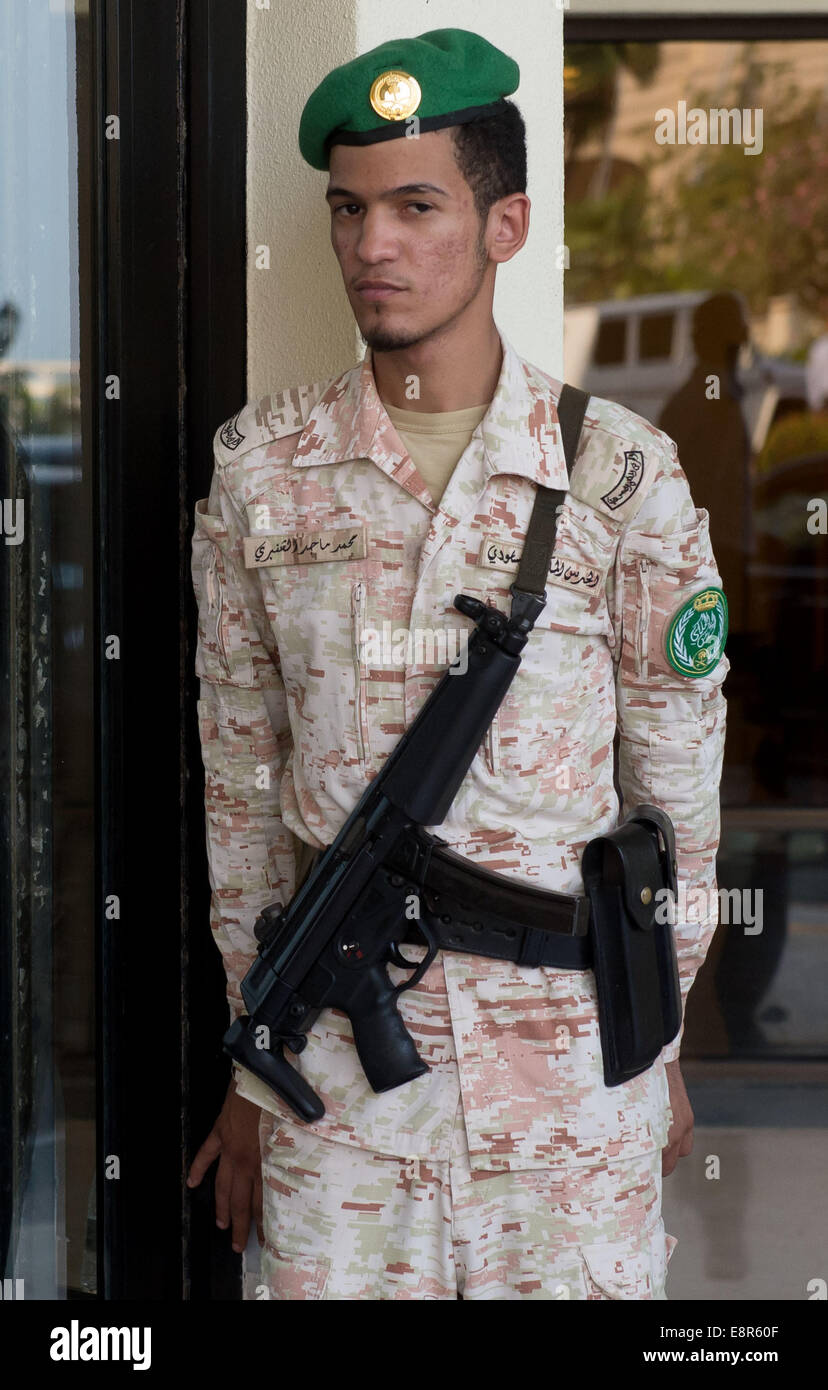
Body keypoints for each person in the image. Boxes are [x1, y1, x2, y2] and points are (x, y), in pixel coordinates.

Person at [187, 28, 728, 1300]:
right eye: (350, 211)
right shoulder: (259, 473)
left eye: (417, 206)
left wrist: (656, 1038)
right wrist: (253, 1061)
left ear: (505, 225)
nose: (374, 246)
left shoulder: (618, 477)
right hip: (336, 1087)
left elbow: (679, 800)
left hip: (572, 1075)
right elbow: (237, 789)